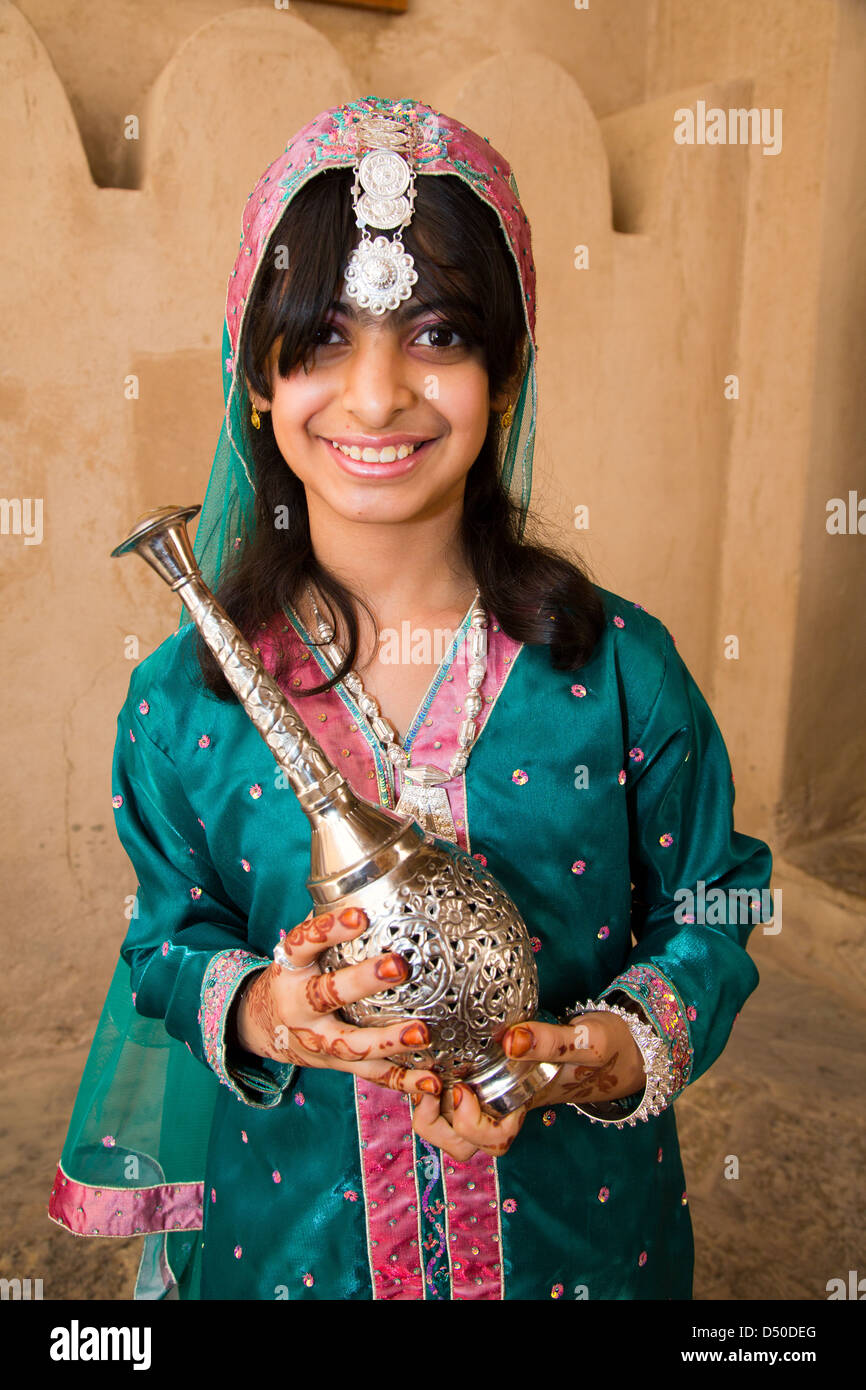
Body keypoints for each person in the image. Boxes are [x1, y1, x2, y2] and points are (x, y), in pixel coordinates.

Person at [49, 94, 773, 1301]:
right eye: (322, 339)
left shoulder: (615, 671)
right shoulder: (187, 702)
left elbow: (711, 903)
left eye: (435, 335)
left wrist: (593, 1054)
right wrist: (264, 1013)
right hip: (286, 1252)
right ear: (258, 380)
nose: (376, 396)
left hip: (579, 1251)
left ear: (505, 373)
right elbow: (168, 942)